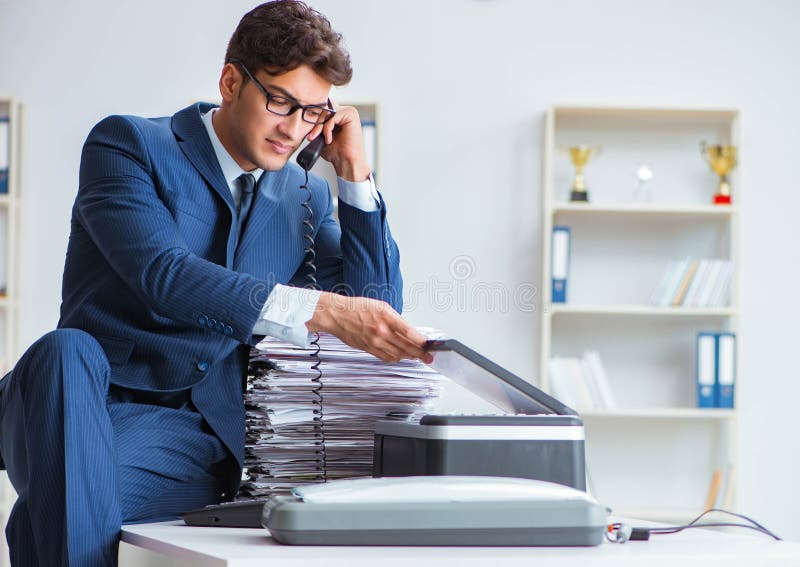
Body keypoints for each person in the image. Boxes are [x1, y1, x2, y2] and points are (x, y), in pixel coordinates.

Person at [0, 2, 430, 565]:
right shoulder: (127, 145)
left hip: (196, 444)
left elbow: (376, 316)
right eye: (280, 102)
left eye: (312, 112)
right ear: (231, 81)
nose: (294, 129)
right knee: (65, 352)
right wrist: (322, 310)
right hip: (86, 399)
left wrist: (354, 176)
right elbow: (164, 274)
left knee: (57, 503)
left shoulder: (306, 193)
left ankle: (51, 506)